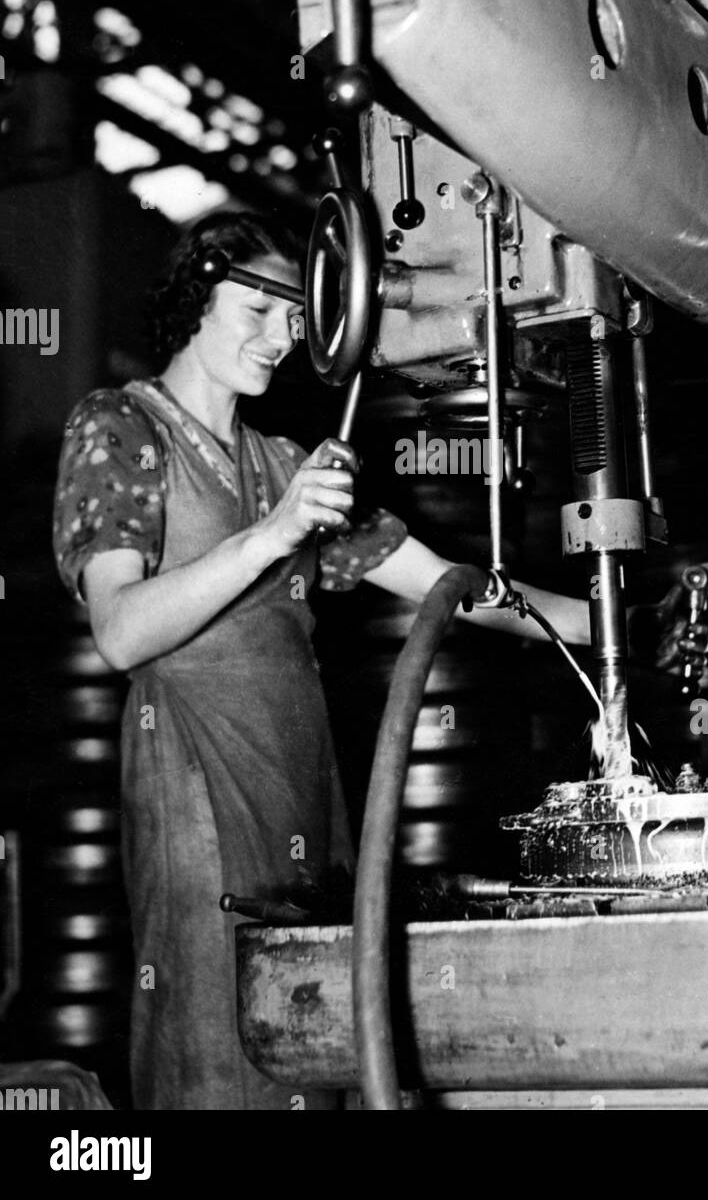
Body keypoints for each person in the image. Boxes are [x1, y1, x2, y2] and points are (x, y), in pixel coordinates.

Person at [51, 211, 593, 1110]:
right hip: (200, 805)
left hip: (312, 813)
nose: (282, 339)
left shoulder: (282, 464)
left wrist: (604, 622)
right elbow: (119, 632)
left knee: (322, 1065)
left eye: (297, 322)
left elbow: (448, 588)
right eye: (258, 312)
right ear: (196, 294)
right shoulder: (120, 427)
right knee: (218, 1064)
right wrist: (272, 536)